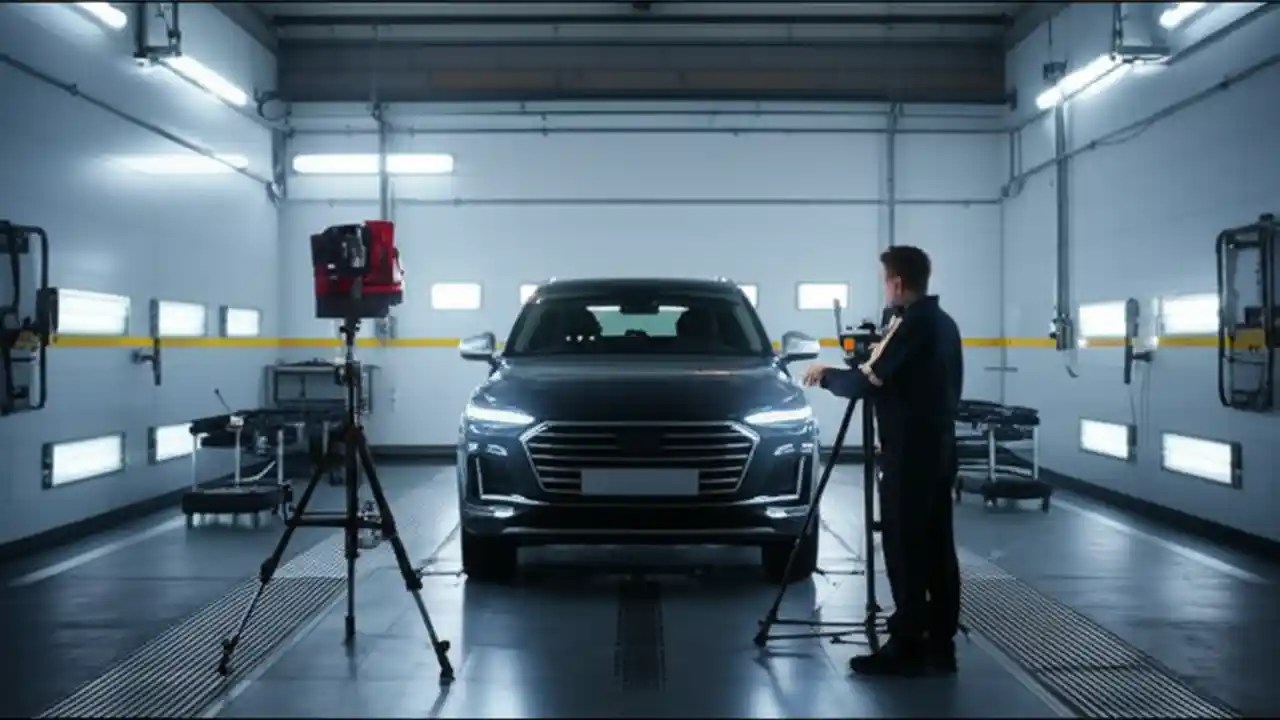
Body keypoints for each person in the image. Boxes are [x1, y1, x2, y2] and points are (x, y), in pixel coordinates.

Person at [802, 245, 963, 677]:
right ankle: (940, 641)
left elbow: (868, 381)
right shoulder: (944, 324)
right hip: (940, 447)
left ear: (895, 282)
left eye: (884, 280)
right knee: (936, 544)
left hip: (910, 453)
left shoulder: (912, 326)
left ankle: (906, 644)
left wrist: (827, 376)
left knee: (904, 545)